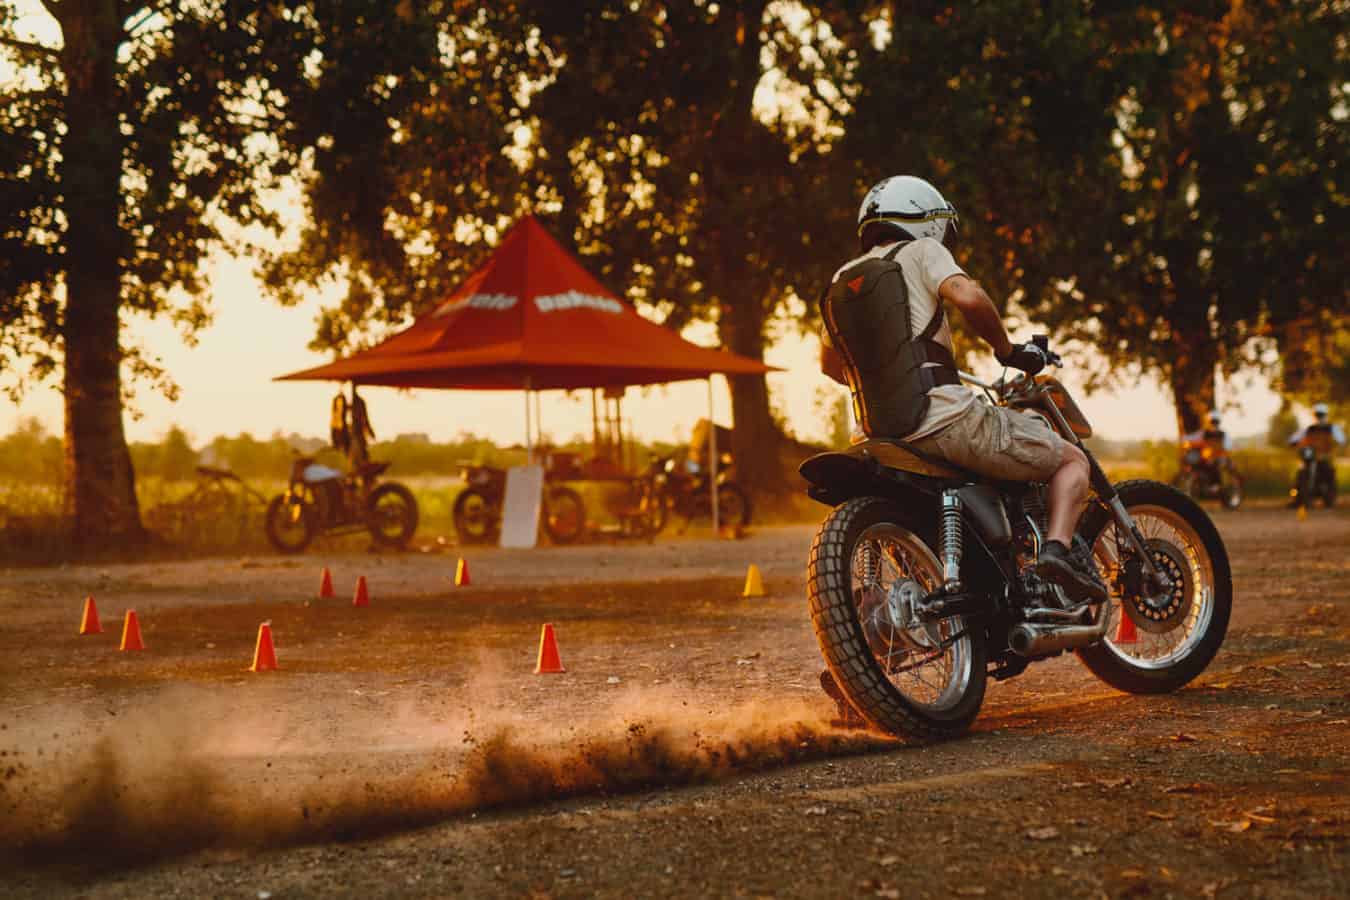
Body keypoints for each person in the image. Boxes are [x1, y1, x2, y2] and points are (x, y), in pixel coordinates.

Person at [819, 175, 1104, 602]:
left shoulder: (839, 280)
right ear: (926, 219)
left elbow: (828, 365)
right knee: (1071, 461)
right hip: (942, 421)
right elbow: (969, 298)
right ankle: (1057, 553)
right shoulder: (922, 251)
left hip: (873, 436)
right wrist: (1007, 350)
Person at [1288, 402, 1345, 492]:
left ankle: (1327, 491)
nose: (1319, 417)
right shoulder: (1308, 428)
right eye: (1317, 415)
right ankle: (1296, 495)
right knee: (1300, 473)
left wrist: (1338, 443)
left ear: (1325, 415)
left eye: (1321, 415)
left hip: (1325, 457)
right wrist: (1292, 442)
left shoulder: (1332, 428)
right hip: (1309, 456)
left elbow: (1341, 439)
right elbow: (1295, 437)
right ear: (1313, 415)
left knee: (1328, 472)